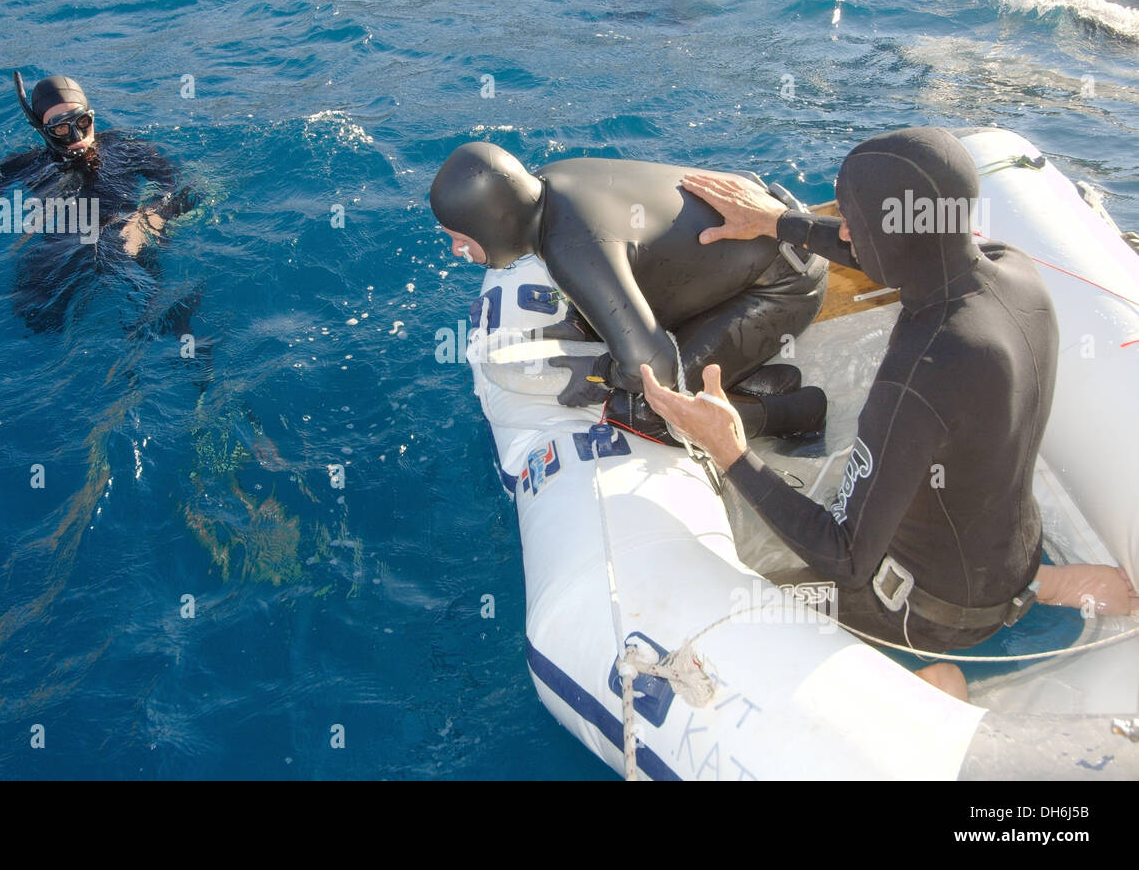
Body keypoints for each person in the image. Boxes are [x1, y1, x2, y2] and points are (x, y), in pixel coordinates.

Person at [640, 126, 1137, 698]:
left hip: (927, 611)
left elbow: (845, 557)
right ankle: (1037, 587)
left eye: (853, 218)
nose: (844, 229)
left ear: (894, 233)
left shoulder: (920, 373)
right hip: (1011, 556)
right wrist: (776, 222)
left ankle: (931, 685)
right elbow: (894, 251)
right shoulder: (1014, 270)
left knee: (744, 602)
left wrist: (729, 448)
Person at [429, 142, 829, 440]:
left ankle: (796, 413)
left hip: (784, 285)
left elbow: (652, 367)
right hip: (764, 239)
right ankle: (747, 376)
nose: (456, 251)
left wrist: (602, 371)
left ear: (495, 224)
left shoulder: (572, 248)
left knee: (647, 412)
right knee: (599, 331)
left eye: (462, 239)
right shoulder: (552, 178)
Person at [0, 72, 197, 333]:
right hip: (63, 245)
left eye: (82, 122)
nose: (77, 137)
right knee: (34, 316)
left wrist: (151, 216)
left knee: (158, 310)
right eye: (61, 129)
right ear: (44, 131)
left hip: (123, 233)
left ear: (91, 116)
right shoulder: (25, 164)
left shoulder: (124, 147)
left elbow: (183, 185)